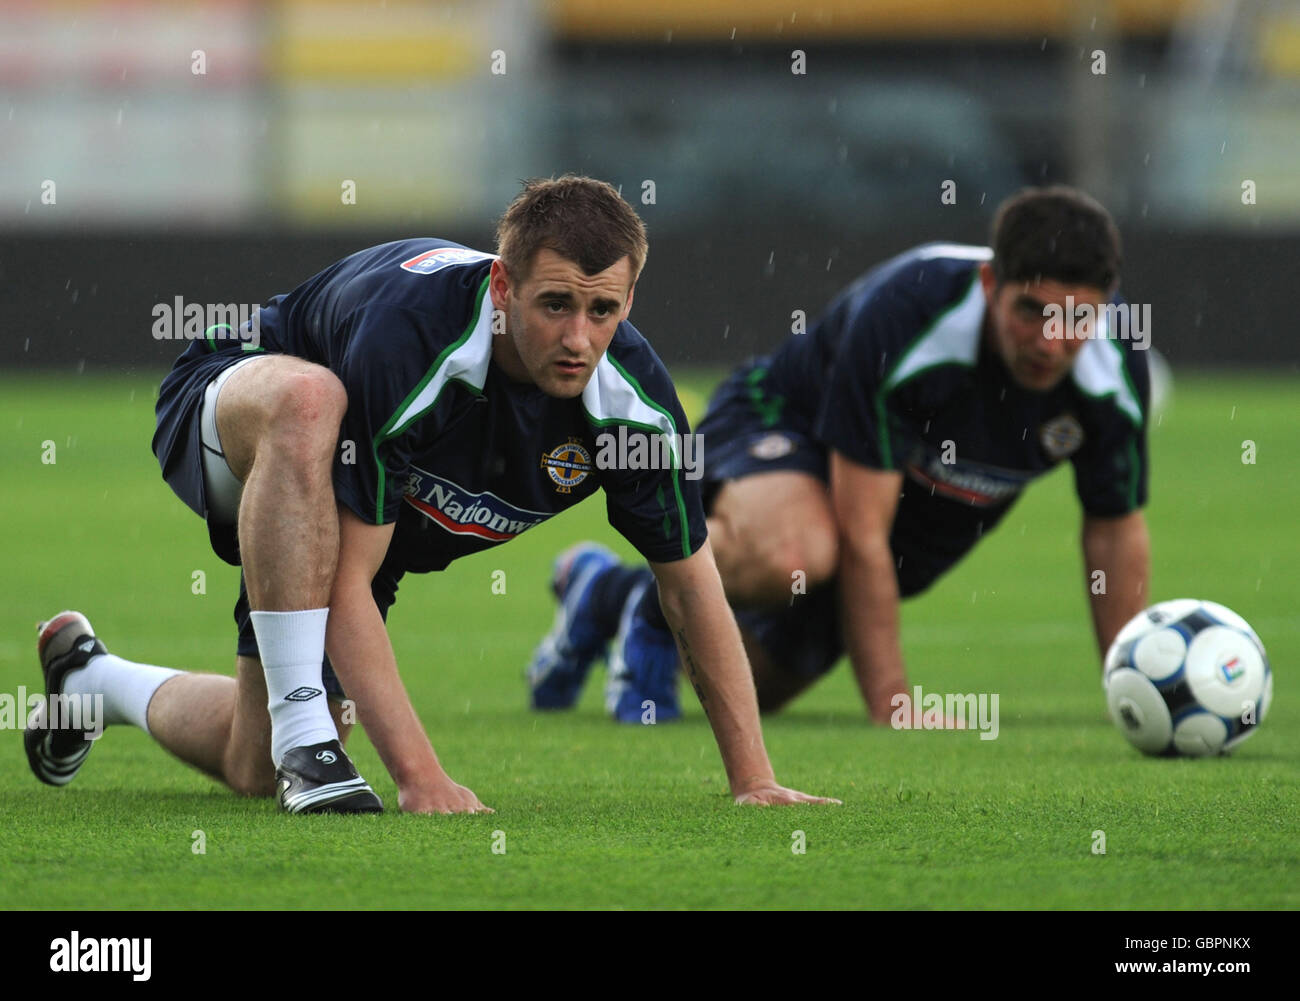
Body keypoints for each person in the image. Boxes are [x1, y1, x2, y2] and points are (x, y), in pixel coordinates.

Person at [24, 175, 837, 812]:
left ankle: (94, 683)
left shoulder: (639, 407)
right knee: (312, 402)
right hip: (241, 405)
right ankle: (311, 743)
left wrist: (753, 778)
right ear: (502, 287)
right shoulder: (414, 342)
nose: (578, 337)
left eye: (603, 310)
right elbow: (344, 578)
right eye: (555, 303)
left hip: (342, 513)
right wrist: (420, 776)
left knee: (249, 760)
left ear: (630, 303)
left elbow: (691, 585)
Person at [527, 185, 1151, 725]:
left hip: (904, 521)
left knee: (754, 685)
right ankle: (654, 607)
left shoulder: (1117, 369)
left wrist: (1131, 684)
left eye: (1075, 319)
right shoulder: (911, 312)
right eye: (1031, 312)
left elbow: (1114, 531)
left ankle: (605, 591)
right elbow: (861, 533)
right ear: (992, 283)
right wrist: (892, 701)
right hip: (780, 429)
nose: (1050, 341)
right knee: (796, 552)